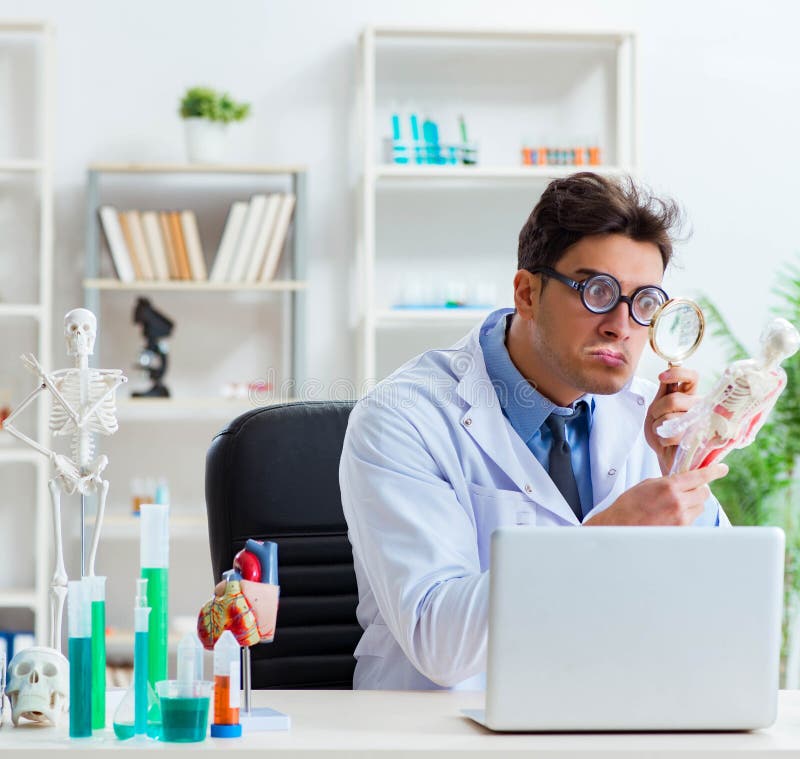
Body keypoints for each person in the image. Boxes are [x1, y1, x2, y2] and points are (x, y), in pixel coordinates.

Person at [339, 172, 730, 691]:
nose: (621, 325)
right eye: (597, 291)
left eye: (645, 303)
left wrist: (682, 467)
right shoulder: (402, 418)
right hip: (438, 733)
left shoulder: (650, 418)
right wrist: (604, 539)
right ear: (527, 293)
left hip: (602, 716)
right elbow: (438, 643)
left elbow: (719, 613)